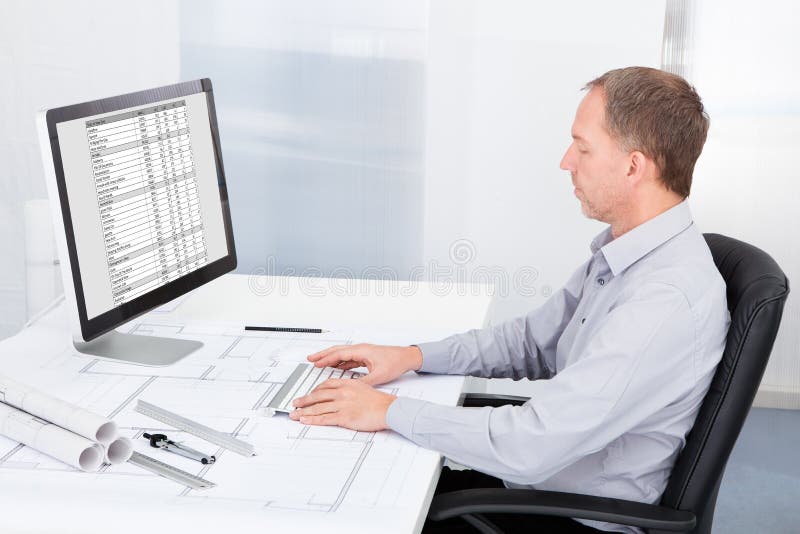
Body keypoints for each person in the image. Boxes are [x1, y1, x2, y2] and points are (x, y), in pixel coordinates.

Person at [289, 66, 730, 533]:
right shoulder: (629, 252)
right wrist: (413, 356)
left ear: (633, 166)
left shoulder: (663, 301)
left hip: (573, 517)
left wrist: (388, 410)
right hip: (543, 486)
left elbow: (532, 446)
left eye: (582, 147)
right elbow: (531, 343)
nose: (566, 161)